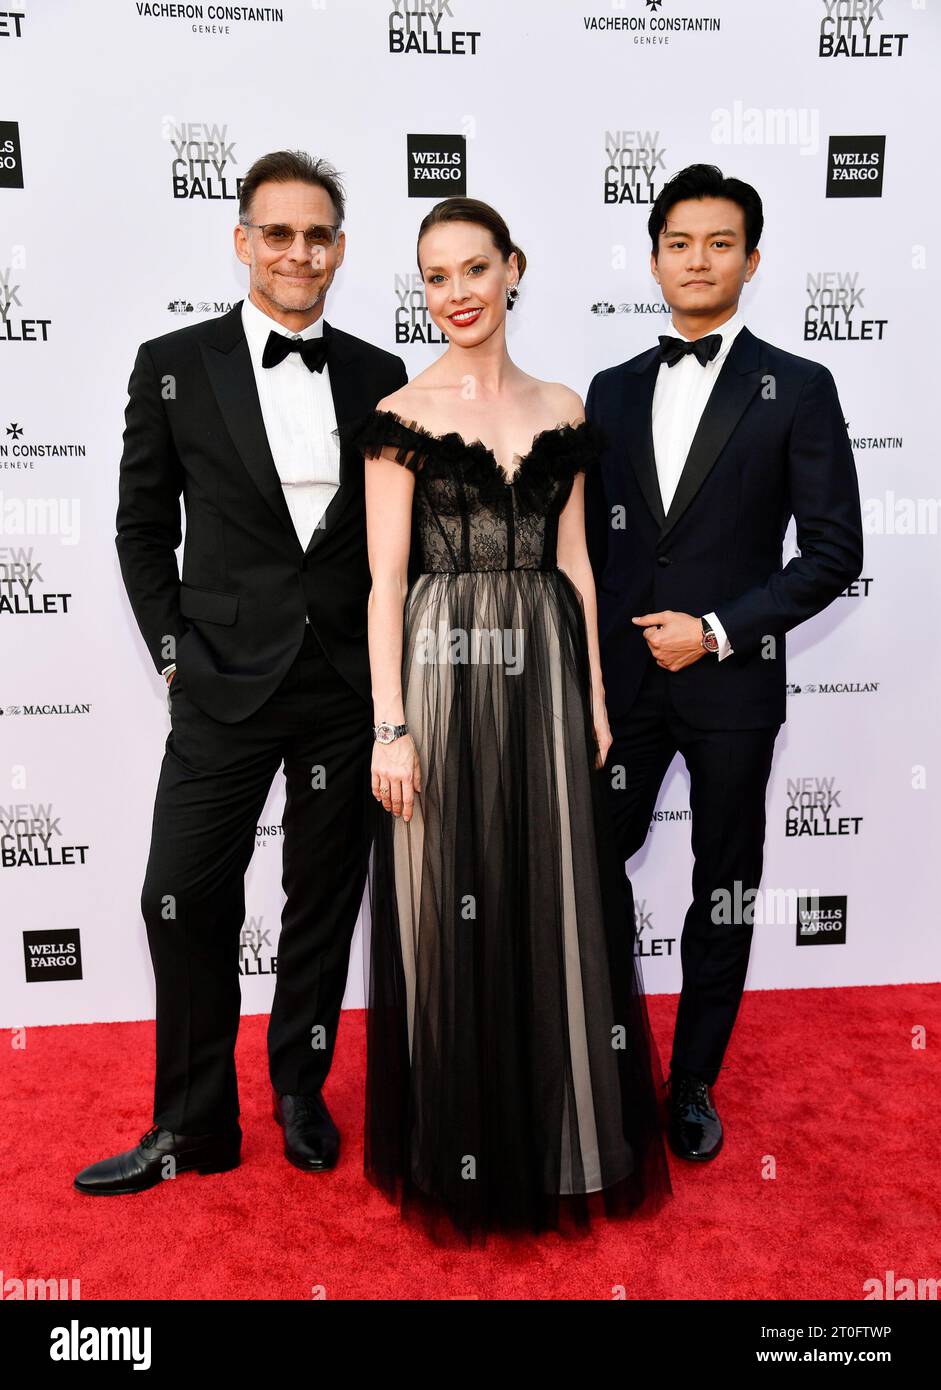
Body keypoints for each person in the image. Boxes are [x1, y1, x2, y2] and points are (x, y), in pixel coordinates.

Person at [74, 151, 407, 1195]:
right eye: (277, 233)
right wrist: (175, 650)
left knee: (323, 896)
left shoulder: (380, 375)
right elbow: (140, 525)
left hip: (344, 682)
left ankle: (300, 1089)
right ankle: (191, 1125)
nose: (297, 252)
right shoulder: (172, 362)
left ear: (340, 251)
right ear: (242, 241)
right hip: (220, 675)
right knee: (178, 893)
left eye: (317, 236)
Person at [349, 196, 673, 1244]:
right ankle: (458, 1144)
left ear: (512, 268)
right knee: (447, 900)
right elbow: (384, 582)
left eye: (473, 270)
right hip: (440, 672)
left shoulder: (564, 405)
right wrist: (388, 725)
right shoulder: (399, 413)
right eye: (435, 277)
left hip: (541, 672)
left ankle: (552, 1140)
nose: (455, 294)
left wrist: (590, 698)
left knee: (549, 896)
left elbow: (577, 563)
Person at [584, 164, 864, 1164]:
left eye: (716, 244)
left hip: (731, 687)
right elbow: (594, 553)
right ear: (652, 256)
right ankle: (587, 1058)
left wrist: (711, 628)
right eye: (677, 243)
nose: (695, 260)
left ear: (749, 259)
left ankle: (690, 1080)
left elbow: (834, 553)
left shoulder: (797, 386)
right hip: (617, 689)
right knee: (580, 867)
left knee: (723, 886)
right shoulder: (609, 391)